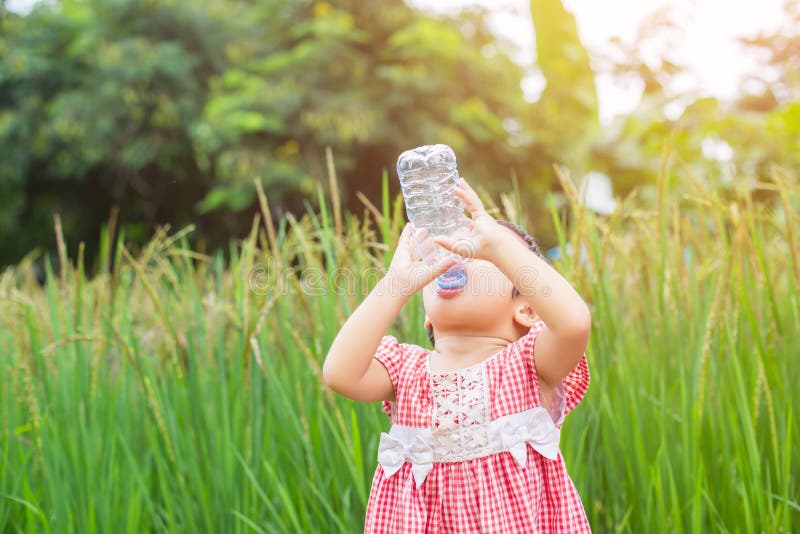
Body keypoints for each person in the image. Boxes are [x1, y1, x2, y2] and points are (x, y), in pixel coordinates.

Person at [322, 178, 592, 533]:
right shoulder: (406, 371)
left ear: (527, 308)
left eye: (476, 254)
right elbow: (339, 373)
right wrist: (396, 284)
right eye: (447, 252)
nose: (456, 256)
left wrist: (495, 244)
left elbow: (574, 323)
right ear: (427, 316)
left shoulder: (530, 364)